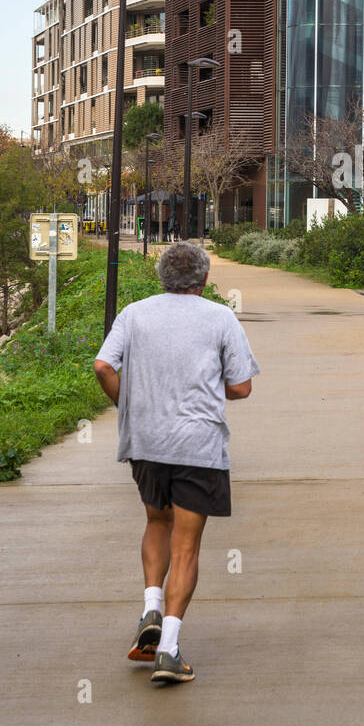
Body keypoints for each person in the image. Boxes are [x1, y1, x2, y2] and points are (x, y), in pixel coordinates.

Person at [93, 242, 259, 684]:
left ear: (161, 278)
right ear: (204, 280)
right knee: (186, 547)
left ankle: (150, 606)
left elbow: (103, 366)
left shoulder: (134, 313)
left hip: (146, 442)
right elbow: (241, 387)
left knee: (156, 523)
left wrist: (128, 406)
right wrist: (204, 388)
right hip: (197, 446)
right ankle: (168, 649)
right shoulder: (220, 317)